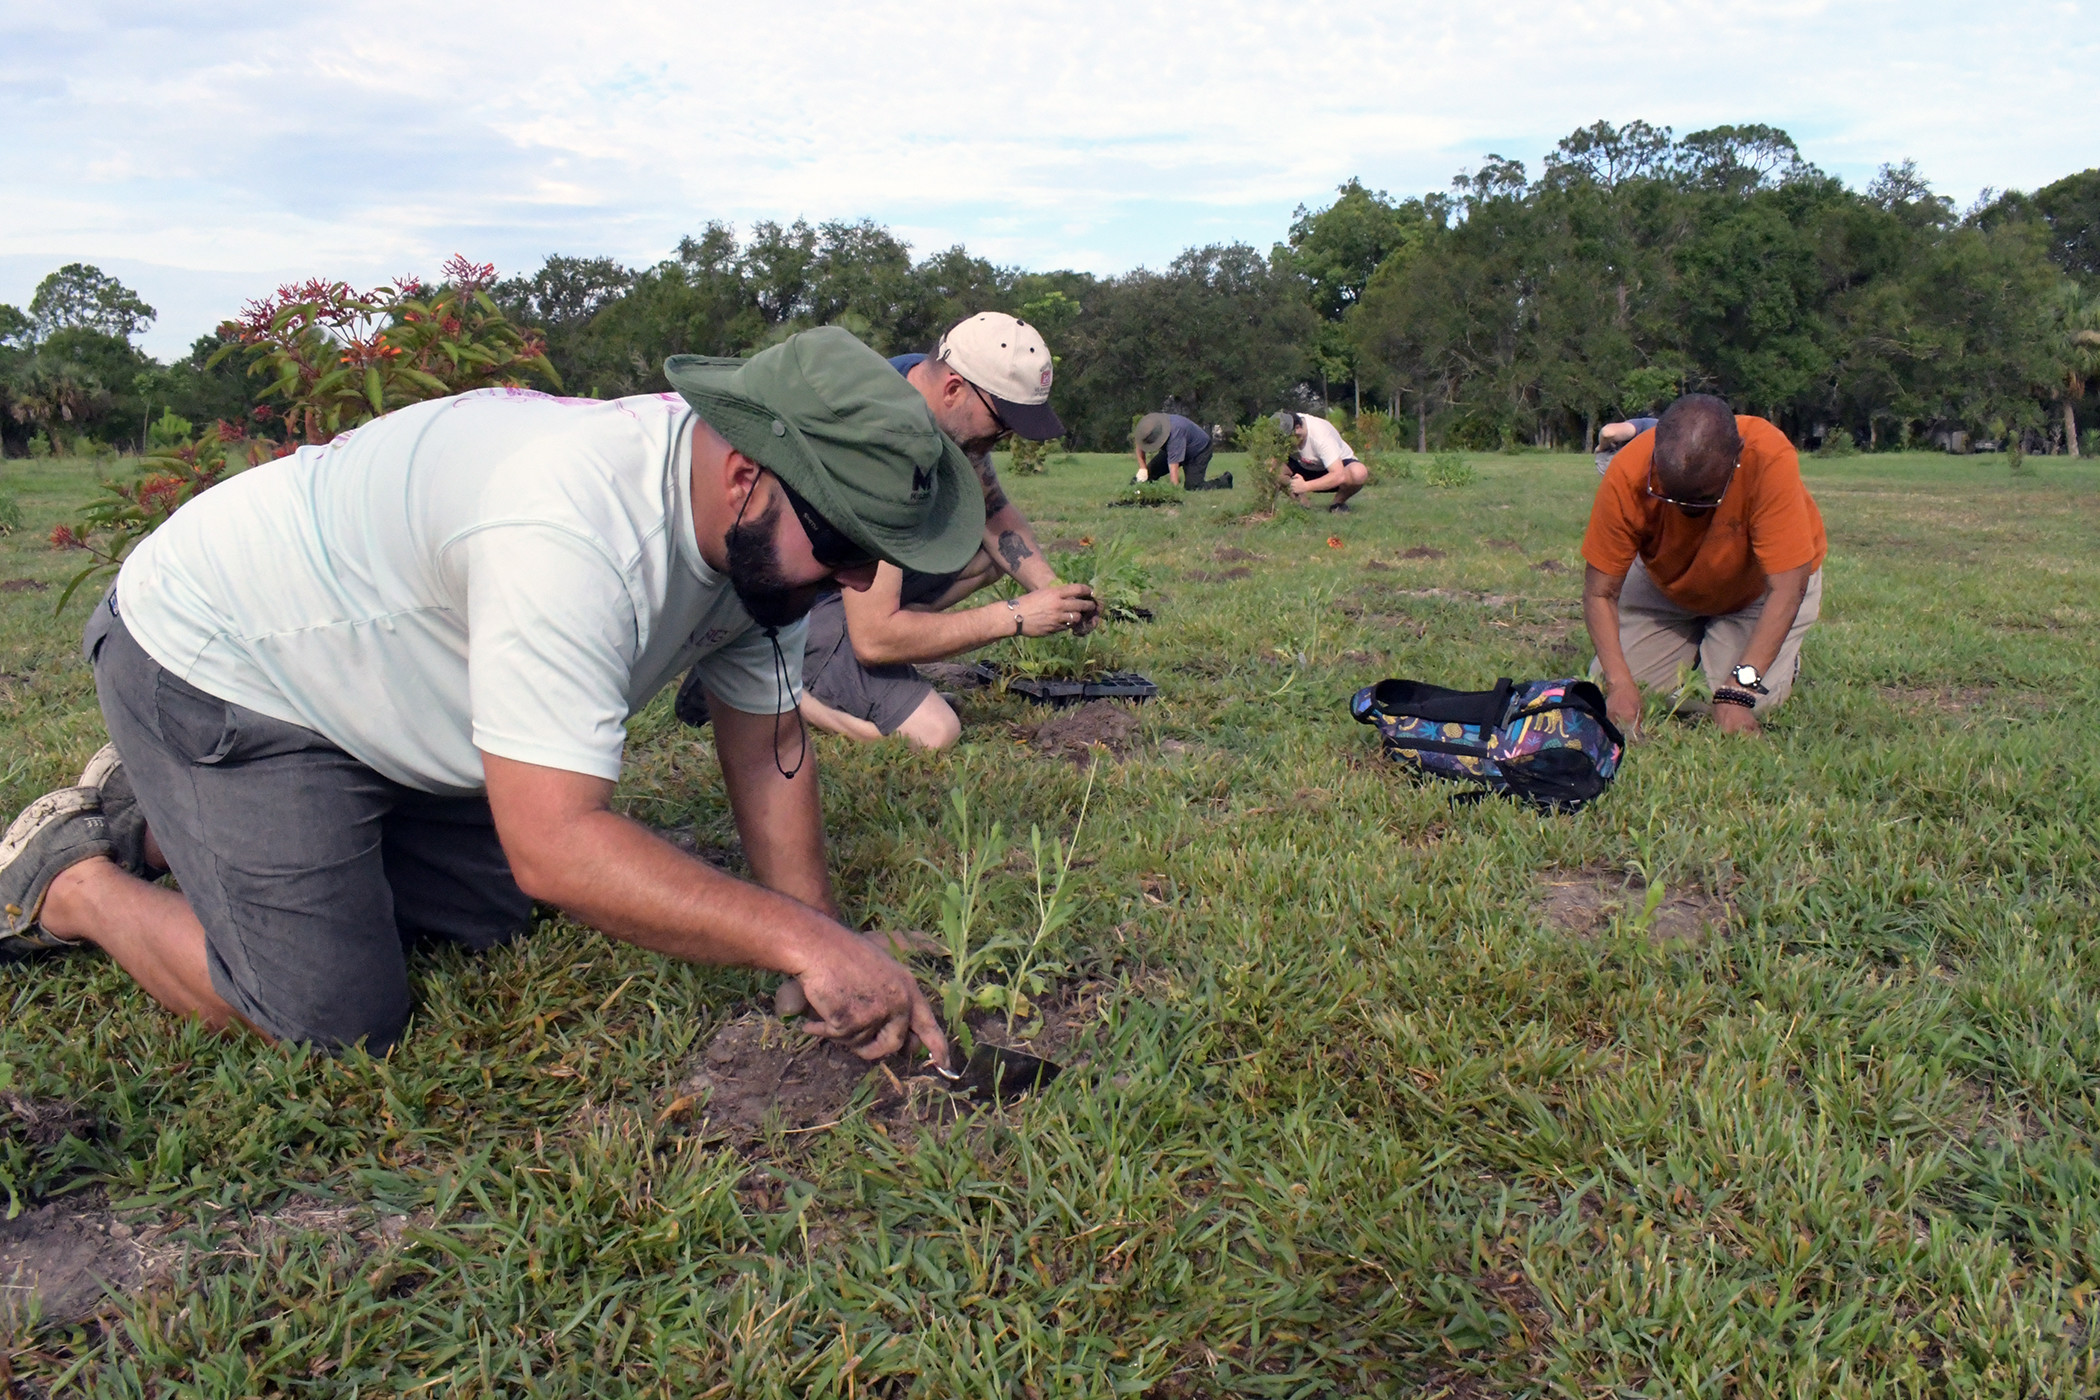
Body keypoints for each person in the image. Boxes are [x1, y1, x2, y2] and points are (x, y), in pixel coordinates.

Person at [0, 328, 984, 1067]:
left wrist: (814, 940)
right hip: (221, 661)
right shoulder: (572, 527)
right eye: (846, 545)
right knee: (332, 1016)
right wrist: (803, 940)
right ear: (744, 475)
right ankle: (72, 876)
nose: (857, 582)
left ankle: (158, 813)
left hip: (376, 688)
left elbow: (767, 735)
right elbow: (557, 844)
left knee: (500, 908)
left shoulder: (760, 540)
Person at [690, 313, 1099, 748]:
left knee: (985, 552)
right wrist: (1016, 616)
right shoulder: (887, 441)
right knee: (936, 733)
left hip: (846, 582)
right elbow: (873, 640)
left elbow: (993, 510)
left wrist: (1055, 592)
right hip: (797, 594)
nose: (1003, 438)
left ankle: (895, 631)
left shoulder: (921, 386)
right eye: (1001, 425)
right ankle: (781, 683)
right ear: (955, 388)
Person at [1581, 394, 1826, 739]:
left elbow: (1786, 588)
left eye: (1703, 500)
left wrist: (1740, 690)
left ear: (1737, 456)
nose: (1685, 509)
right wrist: (1619, 682)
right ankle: (1697, 640)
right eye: (1670, 495)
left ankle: (1781, 660)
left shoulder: (1767, 456)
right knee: (1631, 688)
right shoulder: (1628, 472)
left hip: (1755, 593)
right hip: (1665, 585)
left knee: (1735, 699)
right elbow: (1600, 592)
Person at [1276, 411, 1369, 511]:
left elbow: (1338, 474)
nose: (1285, 443)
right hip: (1303, 466)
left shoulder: (1321, 435)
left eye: (1287, 438)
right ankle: (1301, 505)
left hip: (1333, 469)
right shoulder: (1288, 422)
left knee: (1358, 473)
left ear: (1298, 428)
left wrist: (1305, 486)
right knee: (1271, 466)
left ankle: (1337, 504)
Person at [1133, 412, 1232, 491]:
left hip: (1199, 450)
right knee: (1148, 474)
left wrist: (1173, 493)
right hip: (1178, 445)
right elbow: (1139, 444)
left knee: (1193, 487)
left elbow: (1173, 467)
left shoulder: (1175, 434)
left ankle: (1225, 481)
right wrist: (1143, 468)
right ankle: (1133, 489)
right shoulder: (1150, 426)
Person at [1594, 414, 1660, 474]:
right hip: (1657, 475)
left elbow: (1607, 433)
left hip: (1634, 474)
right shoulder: (1665, 428)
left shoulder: (1643, 424)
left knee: (1603, 455)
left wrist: (1601, 447)